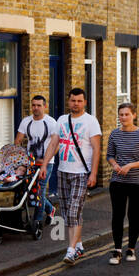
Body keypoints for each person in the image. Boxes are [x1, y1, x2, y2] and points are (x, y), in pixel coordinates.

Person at [43, 88, 101, 265]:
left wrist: (94, 173)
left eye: (79, 101)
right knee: (68, 211)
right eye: (73, 100)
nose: (76, 104)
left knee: (75, 210)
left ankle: (70, 250)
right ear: (69, 101)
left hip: (81, 173)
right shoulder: (61, 120)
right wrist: (45, 164)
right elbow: (54, 143)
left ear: (85, 102)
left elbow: (97, 149)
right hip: (63, 171)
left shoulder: (91, 121)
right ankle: (79, 245)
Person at [105, 102, 139, 264]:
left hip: (138, 182)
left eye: (126, 114)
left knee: (134, 215)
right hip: (118, 181)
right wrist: (115, 165)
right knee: (117, 216)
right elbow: (110, 155)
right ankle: (117, 250)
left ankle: (131, 248)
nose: (123, 117)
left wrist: (130, 165)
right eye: (121, 114)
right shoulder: (114, 134)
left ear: (134, 115)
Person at [16, 94, 60, 201]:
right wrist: (21, 159)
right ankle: (50, 210)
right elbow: (18, 141)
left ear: (45, 106)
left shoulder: (52, 123)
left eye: (39, 105)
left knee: (40, 191)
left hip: (46, 162)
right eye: (33, 105)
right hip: (30, 162)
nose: (35, 108)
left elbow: (57, 145)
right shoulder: (26, 121)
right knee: (30, 191)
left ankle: (38, 218)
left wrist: (45, 160)